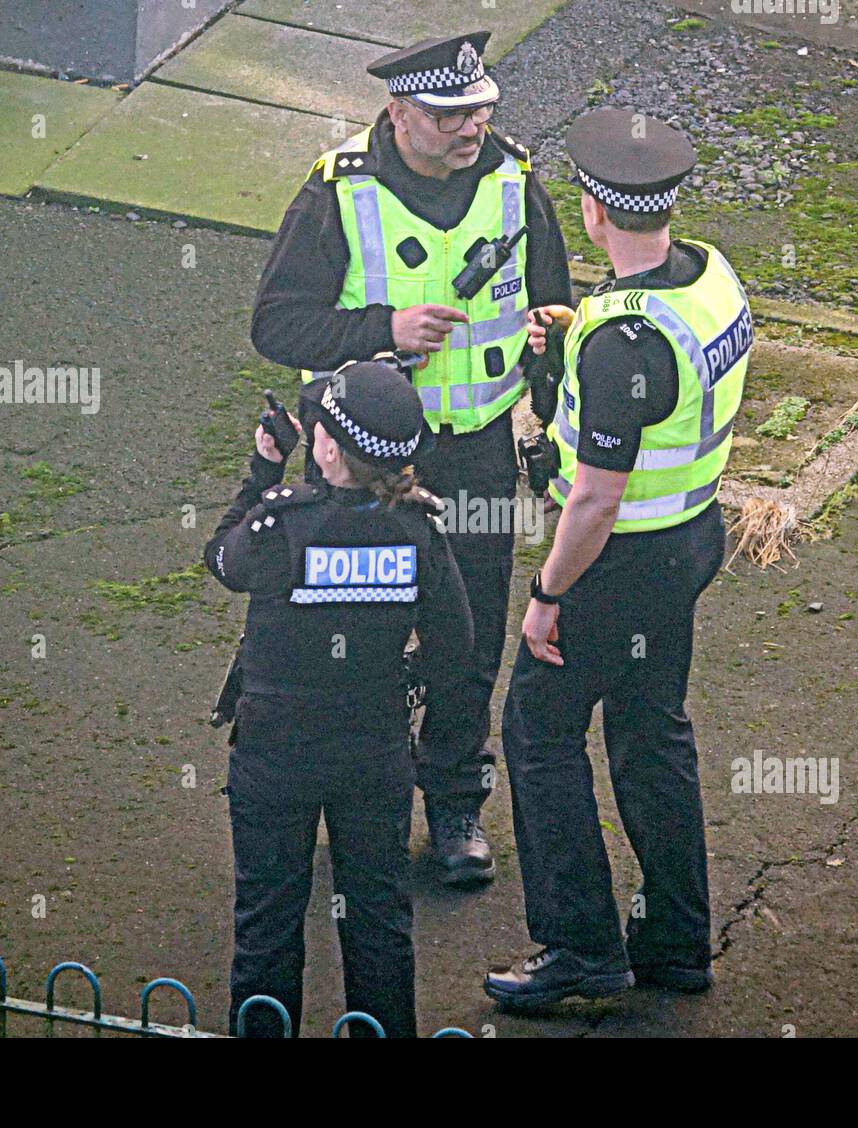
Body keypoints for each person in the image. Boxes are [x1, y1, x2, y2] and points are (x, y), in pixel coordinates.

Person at [249, 30, 573, 886]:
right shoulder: (335, 194)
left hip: (475, 453)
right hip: (362, 463)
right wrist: (381, 332)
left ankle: (456, 799)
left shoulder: (514, 177)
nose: (471, 127)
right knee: (349, 622)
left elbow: (553, 296)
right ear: (398, 114)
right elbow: (277, 325)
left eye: (480, 110)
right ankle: (346, 788)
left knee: (466, 634)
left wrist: (548, 338)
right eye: (449, 115)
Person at [484, 109, 753, 1009]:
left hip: (615, 563)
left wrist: (546, 592)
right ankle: (677, 943)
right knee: (650, 732)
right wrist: (579, 336)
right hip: (690, 541)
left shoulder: (621, 344)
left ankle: (577, 946)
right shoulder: (713, 278)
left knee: (539, 734)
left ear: (595, 212)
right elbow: (661, 373)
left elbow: (595, 496)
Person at [204, 360, 473, 1037]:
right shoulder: (421, 532)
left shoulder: (280, 525)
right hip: (374, 751)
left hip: (275, 752)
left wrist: (264, 471)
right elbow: (455, 650)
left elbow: (222, 560)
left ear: (324, 447)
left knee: (267, 923)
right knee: (380, 922)